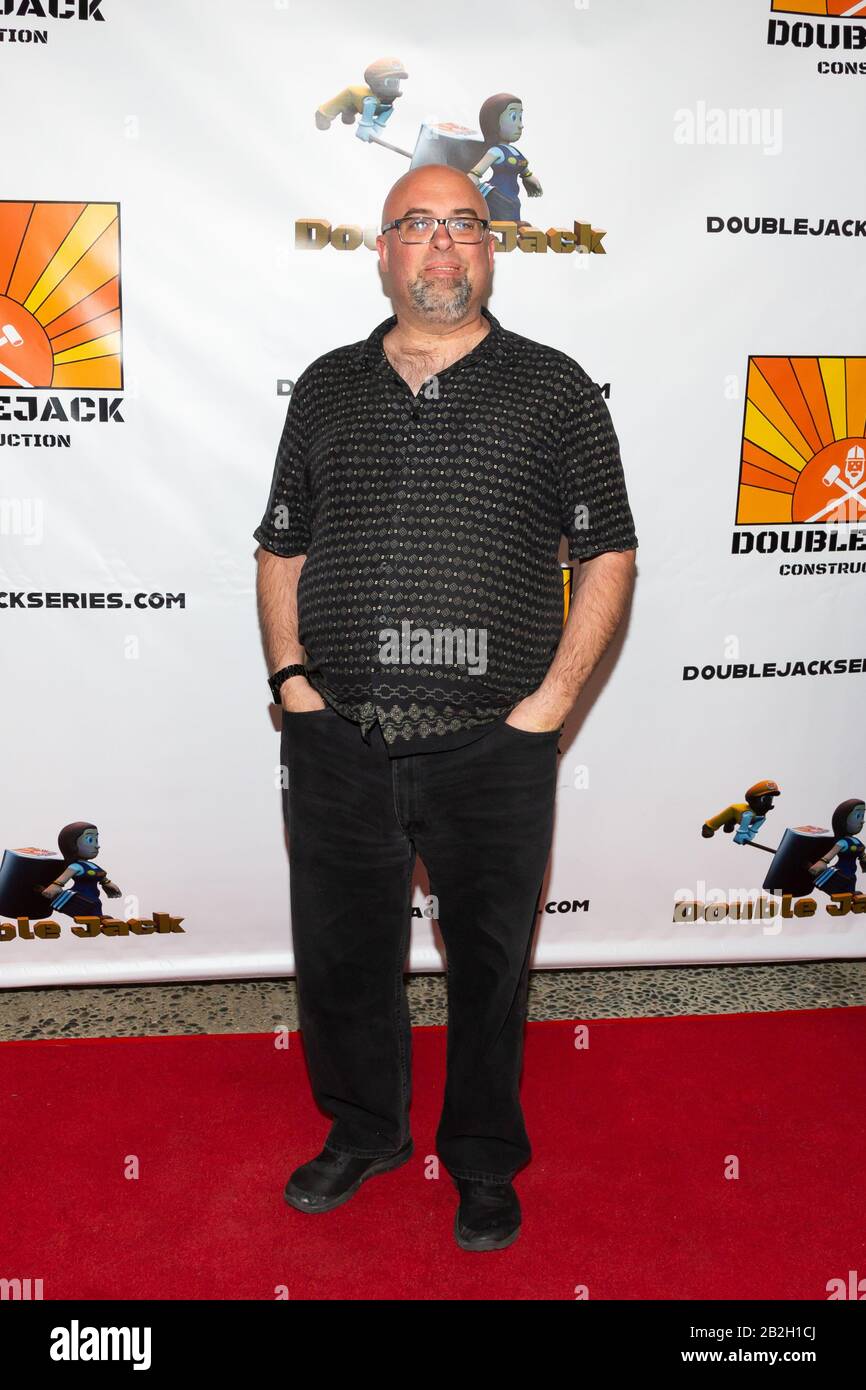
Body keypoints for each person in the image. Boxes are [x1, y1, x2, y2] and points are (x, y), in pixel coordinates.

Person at [253, 163, 638, 1252]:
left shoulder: (554, 387)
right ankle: (365, 1131)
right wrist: (293, 686)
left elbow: (607, 550)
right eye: (413, 226)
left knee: (489, 966)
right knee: (339, 956)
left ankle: (479, 1158)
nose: (438, 245)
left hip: (494, 744)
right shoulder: (325, 386)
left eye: (461, 226)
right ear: (380, 252)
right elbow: (281, 543)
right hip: (338, 740)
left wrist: (550, 707)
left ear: (488, 249)